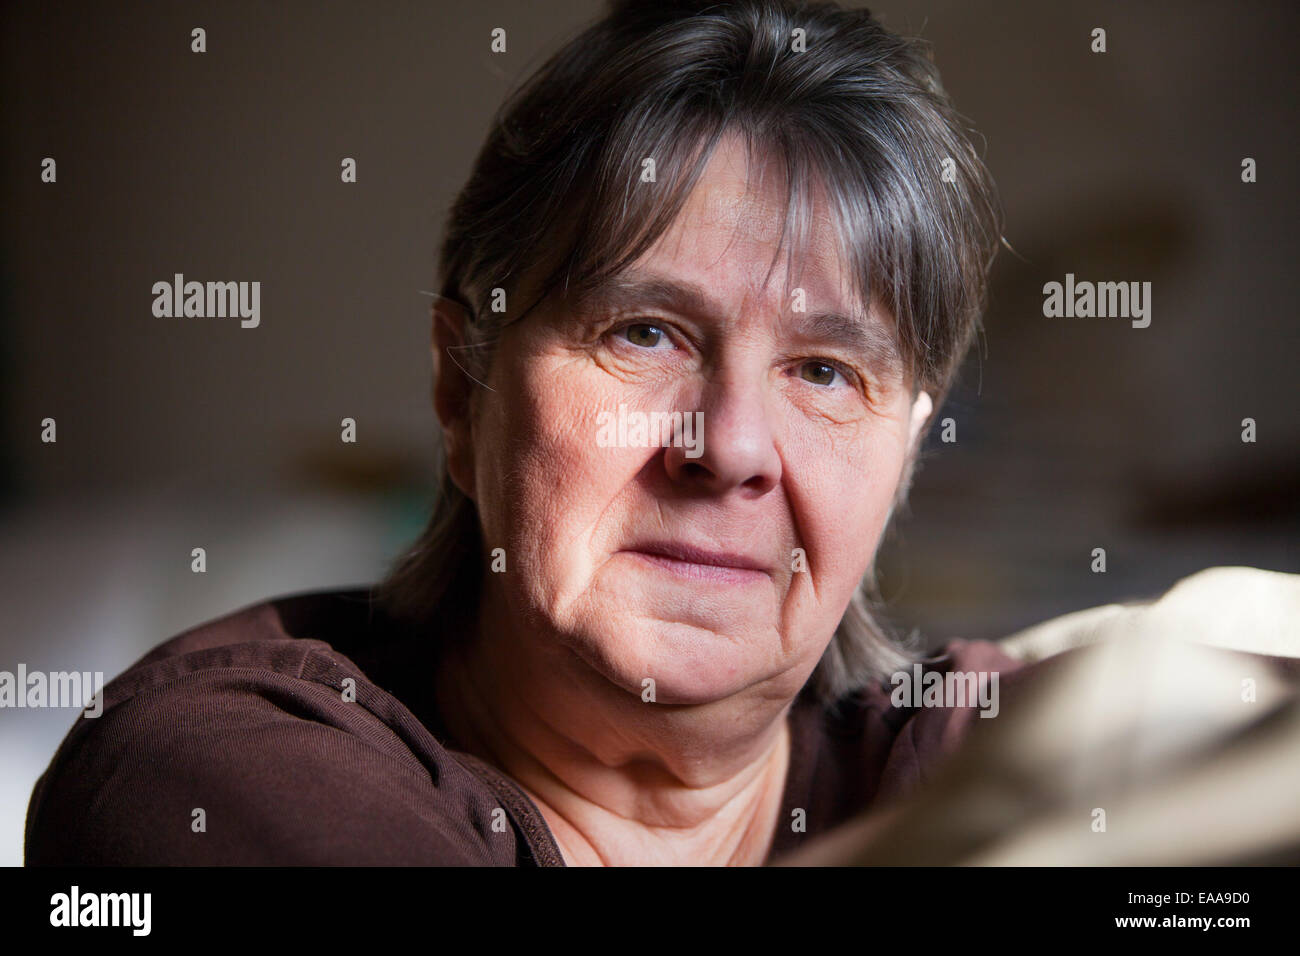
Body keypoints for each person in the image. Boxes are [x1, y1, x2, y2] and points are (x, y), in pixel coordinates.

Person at [39, 0, 1284, 867]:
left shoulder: (967, 748)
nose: (731, 444)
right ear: (461, 390)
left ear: (901, 455)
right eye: (643, 332)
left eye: (823, 368)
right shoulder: (218, 774)